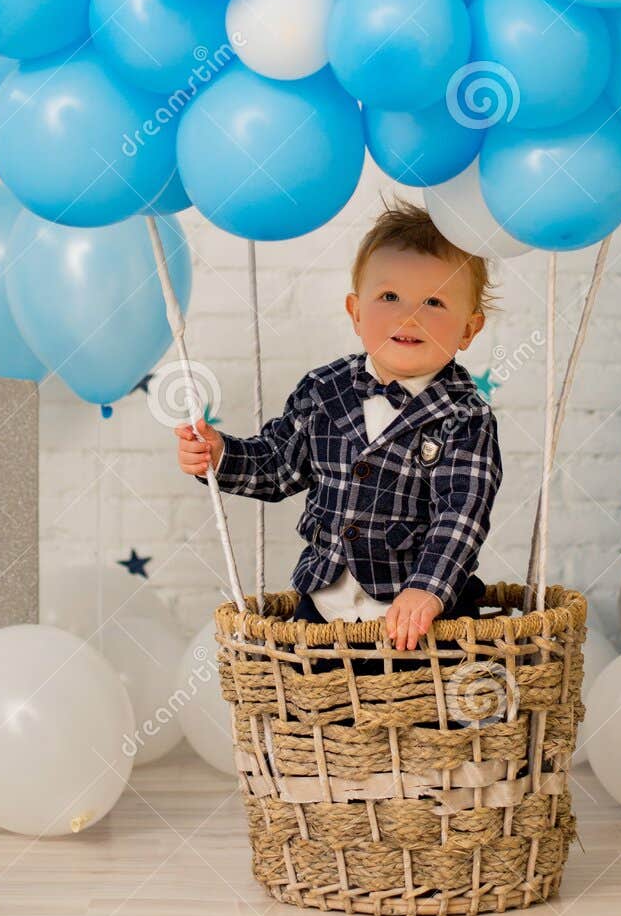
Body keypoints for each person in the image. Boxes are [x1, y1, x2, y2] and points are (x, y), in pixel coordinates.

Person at [175, 198, 501, 652]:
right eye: (390, 297)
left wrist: (428, 589)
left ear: (469, 329)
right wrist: (220, 454)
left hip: (417, 616)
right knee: (314, 710)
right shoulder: (324, 390)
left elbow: (461, 514)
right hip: (324, 607)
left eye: (434, 301)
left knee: (421, 712)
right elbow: (276, 465)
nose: (409, 316)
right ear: (356, 312)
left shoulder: (465, 416)